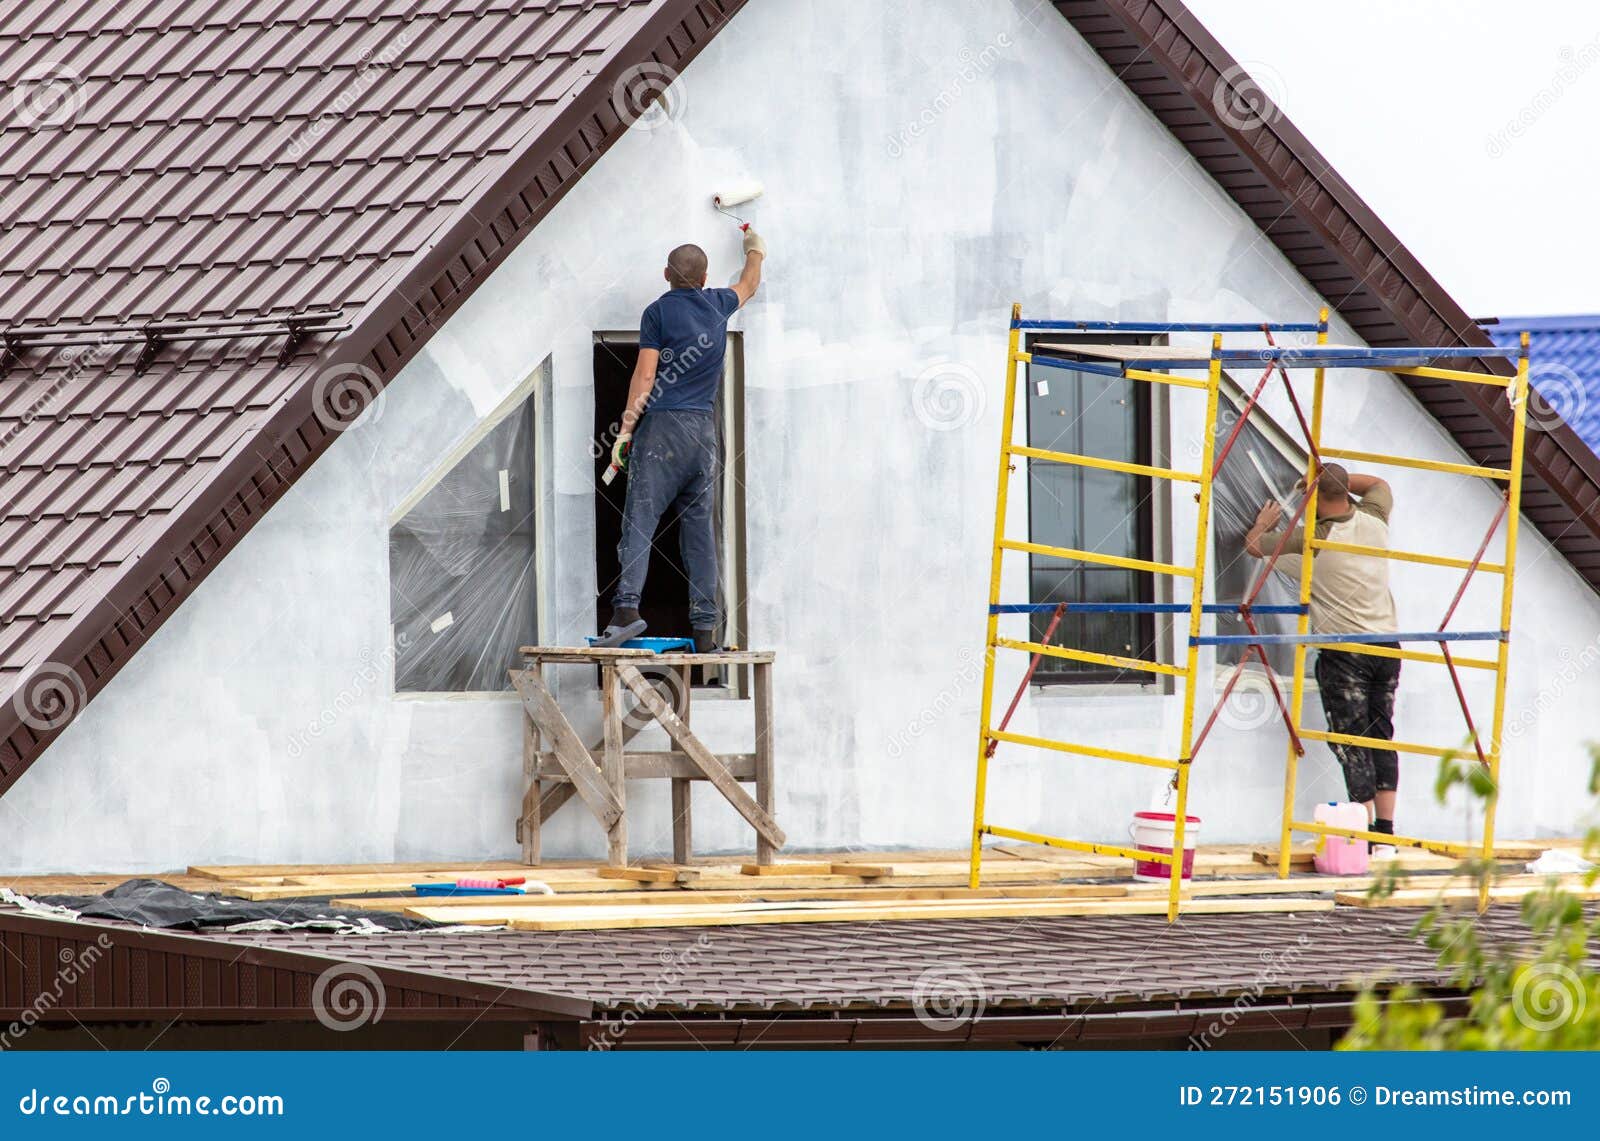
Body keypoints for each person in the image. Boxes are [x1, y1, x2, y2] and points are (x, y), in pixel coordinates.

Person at [596, 230, 767, 651]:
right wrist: (755, 248)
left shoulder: (657, 313)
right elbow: (749, 282)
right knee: (699, 532)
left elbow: (646, 375)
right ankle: (706, 629)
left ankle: (626, 612)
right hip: (703, 432)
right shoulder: (719, 304)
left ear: (665, 274)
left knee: (640, 519)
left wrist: (625, 432)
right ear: (705, 276)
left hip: (664, 429)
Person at [1245, 463, 1400, 854]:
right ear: (1346, 491)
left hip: (1346, 653)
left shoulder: (1314, 541)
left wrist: (1264, 524)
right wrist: (1328, 478)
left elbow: (1253, 546)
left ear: (1315, 499)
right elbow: (1378, 483)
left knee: (1351, 742)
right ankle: (1385, 835)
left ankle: (1364, 840)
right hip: (1388, 647)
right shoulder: (1375, 518)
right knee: (1381, 735)